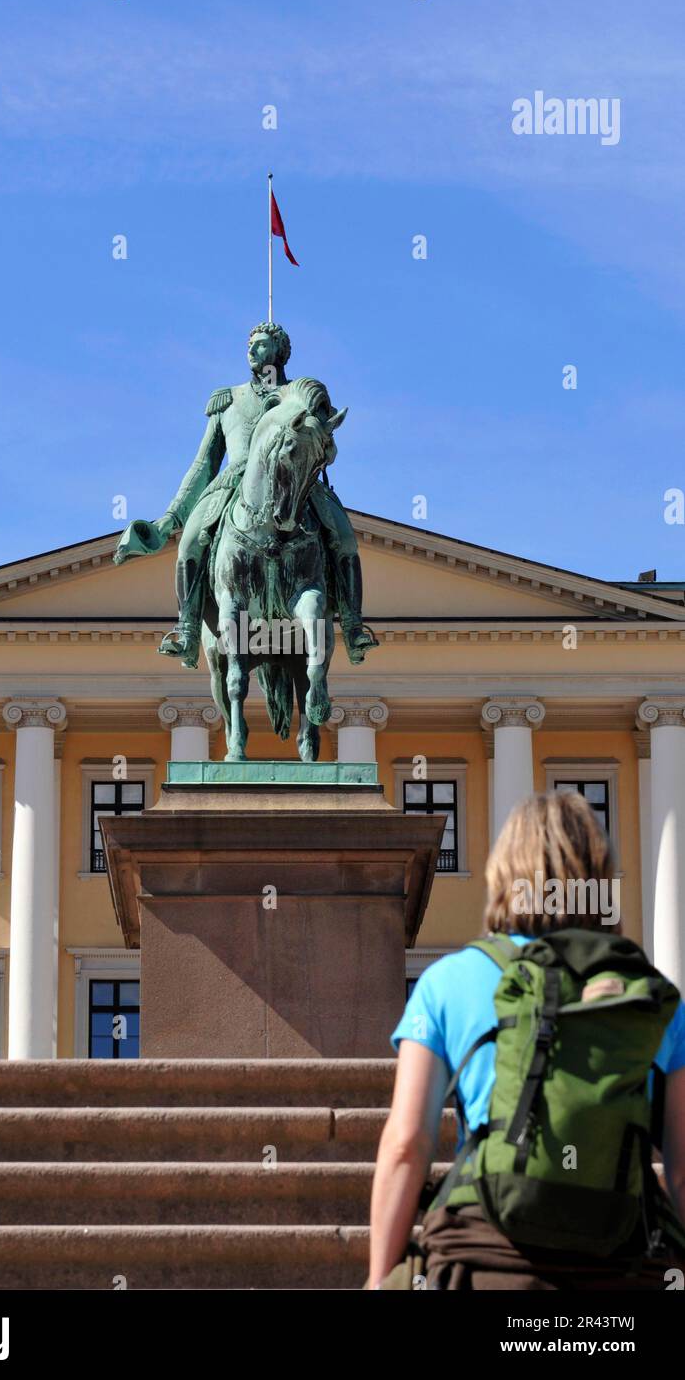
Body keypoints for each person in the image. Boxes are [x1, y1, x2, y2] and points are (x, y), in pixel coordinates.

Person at [368, 790, 685, 1290]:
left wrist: (377, 1277)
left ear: (504, 875)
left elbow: (408, 1145)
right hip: (620, 1263)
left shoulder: (449, 980)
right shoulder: (654, 998)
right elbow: (682, 1167)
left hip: (480, 1255)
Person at [114, 321, 378, 669]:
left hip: (297, 484)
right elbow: (203, 465)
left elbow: (325, 447)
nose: (252, 350)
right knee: (189, 544)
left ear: (280, 351)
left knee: (345, 539)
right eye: (250, 344)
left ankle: (353, 626)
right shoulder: (228, 400)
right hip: (234, 483)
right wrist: (171, 518)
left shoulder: (302, 398)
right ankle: (188, 629)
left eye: (262, 344)